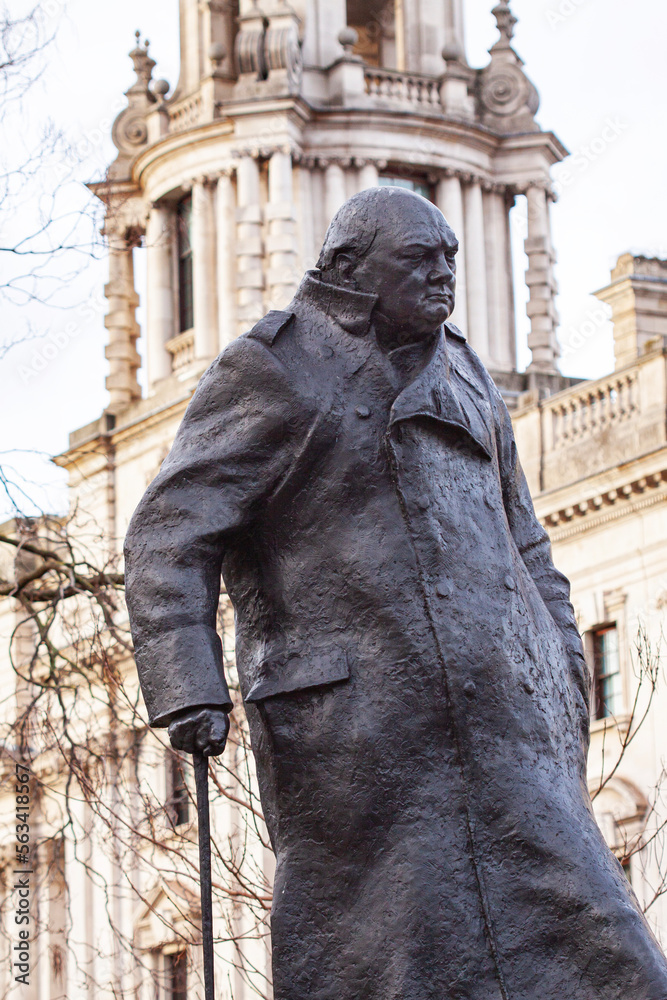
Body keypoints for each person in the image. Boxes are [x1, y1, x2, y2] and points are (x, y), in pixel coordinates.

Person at [124, 187, 667, 999]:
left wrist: (558, 664)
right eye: (420, 258)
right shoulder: (275, 366)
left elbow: (526, 542)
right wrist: (187, 688)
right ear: (350, 268)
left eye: (451, 255)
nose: (443, 273)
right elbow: (169, 532)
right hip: (354, 743)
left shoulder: (467, 369)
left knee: (608, 961)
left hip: (506, 733)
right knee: (379, 965)